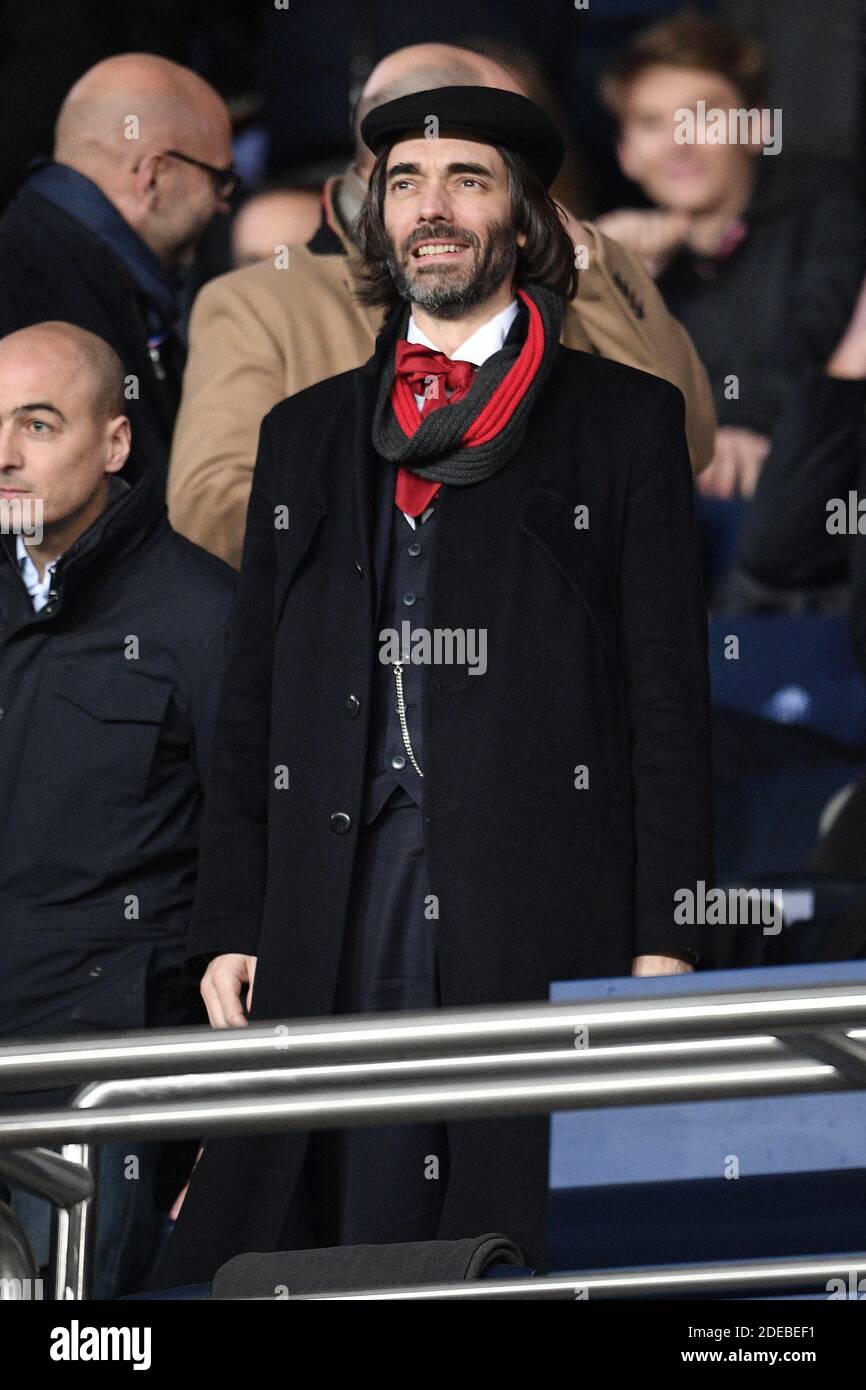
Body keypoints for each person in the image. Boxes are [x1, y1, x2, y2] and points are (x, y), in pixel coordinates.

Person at [151, 84, 713, 1288]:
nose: (432, 207)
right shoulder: (302, 433)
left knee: (513, 1240)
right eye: (405, 182)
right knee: (336, 1232)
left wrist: (665, 933)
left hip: (538, 895)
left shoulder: (624, 423)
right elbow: (252, 703)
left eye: (467, 178)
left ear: (523, 215)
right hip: (336, 897)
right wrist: (230, 920)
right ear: (376, 216)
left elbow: (667, 701)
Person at [166, 42, 716, 571]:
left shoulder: (565, 285)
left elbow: (684, 447)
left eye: (484, 176)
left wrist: (581, 256)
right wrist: (418, 554)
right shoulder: (258, 305)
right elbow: (211, 512)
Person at [0, 321, 236, 1296]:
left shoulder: (205, 614)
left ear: (115, 442)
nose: (3, 455)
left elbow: (254, 870)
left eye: (37, 424)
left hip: (103, 1081)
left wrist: (230, 1127)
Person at [597, 11, 864, 503]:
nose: (678, 144)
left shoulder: (827, 210)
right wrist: (601, 277)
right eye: (651, 123)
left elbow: (816, 327)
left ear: (757, 127)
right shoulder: (625, 258)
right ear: (625, 154)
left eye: (702, 116)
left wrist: (747, 420)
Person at [0, 54, 235, 485]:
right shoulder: (29, 281)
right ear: (154, 176)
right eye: (219, 180)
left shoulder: (87, 272)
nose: (222, 205)